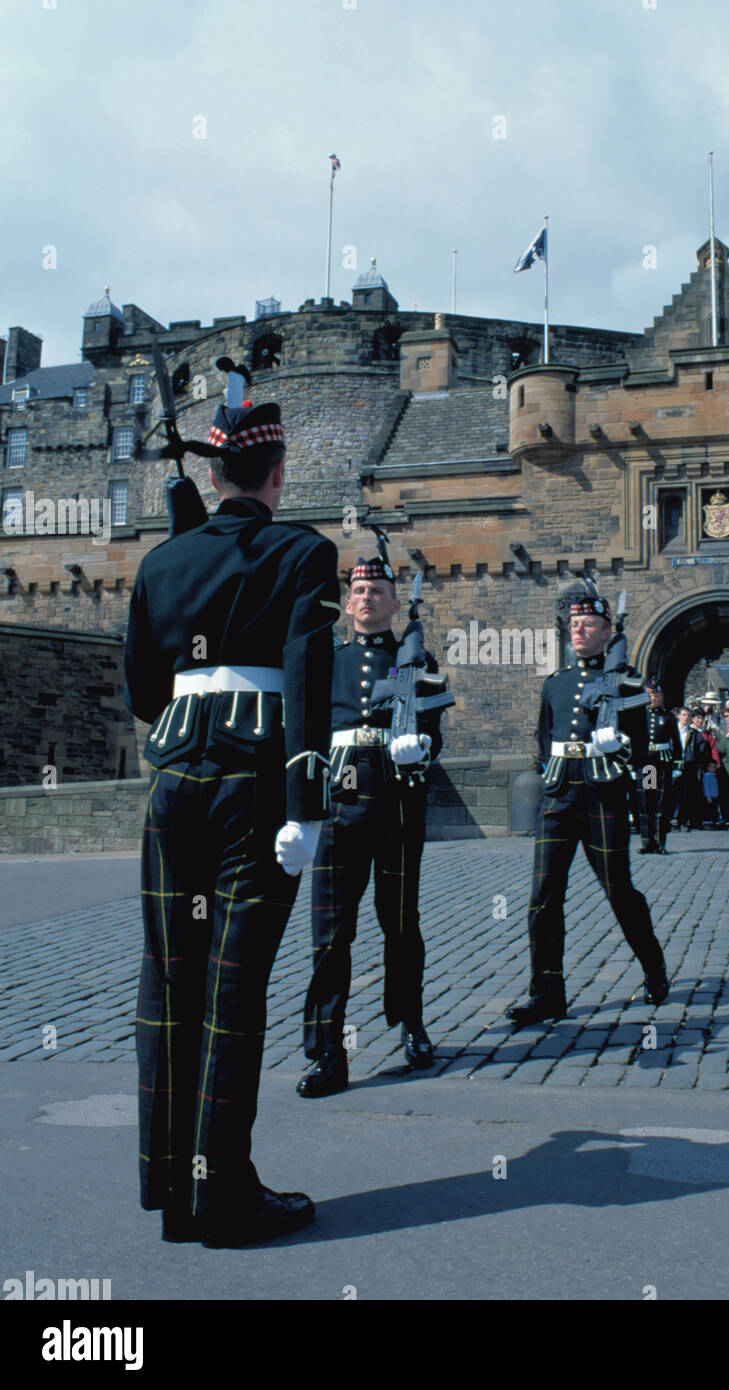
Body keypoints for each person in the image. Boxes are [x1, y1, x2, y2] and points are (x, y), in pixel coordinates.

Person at [124, 398, 339, 1247]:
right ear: (279, 474)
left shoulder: (163, 563)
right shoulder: (304, 553)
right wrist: (305, 801)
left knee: (170, 982)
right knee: (232, 990)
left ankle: (175, 1189)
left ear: (213, 476)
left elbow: (146, 690)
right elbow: (307, 675)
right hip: (255, 788)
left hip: (175, 782)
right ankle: (226, 1195)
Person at [297, 551, 450, 1097]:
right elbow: (306, 738)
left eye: (377, 591)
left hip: (398, 800)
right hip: (340, 801)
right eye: (358, 592)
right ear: (349, 601)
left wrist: (422, 746)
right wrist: (296, 811)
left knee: (401, 923)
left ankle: (412, 1024)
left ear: (393, 601)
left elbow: (436, 728)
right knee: (331, 933)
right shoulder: (327, 658)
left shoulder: (416, 658)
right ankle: (327, 1051)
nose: (366, 599)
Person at [506, 593, 668, 1024]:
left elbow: (645, 752)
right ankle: (546, 990)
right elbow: (543, 738)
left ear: (606, 632)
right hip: (560, 793)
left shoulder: (628, 682)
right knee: (543, 895)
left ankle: (653, 965)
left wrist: (623, 747)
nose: (579, 631)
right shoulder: (555, 683)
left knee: (619, 890)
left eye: (589, 625)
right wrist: (549, 775)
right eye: (574, 625)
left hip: (604, 792)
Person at [635, 677, 681, 853]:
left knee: (662, 804)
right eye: (649, 695)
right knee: (647, 802)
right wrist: (633, 765)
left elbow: (676, 742)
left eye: (655, 695)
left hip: (662, 762)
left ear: (660, 696)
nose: (652, 699)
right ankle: (648, 843)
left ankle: (661, 843)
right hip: (647, 765)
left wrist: (677, 765)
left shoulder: (668, 717)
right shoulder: (640, 716)